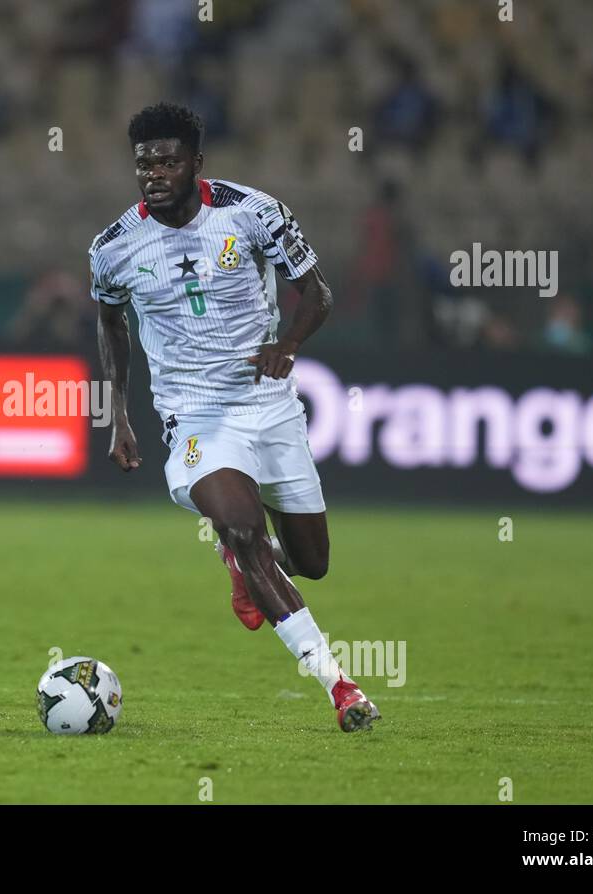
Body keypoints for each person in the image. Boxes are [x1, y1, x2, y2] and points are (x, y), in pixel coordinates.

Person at [89, 102, 380, 732]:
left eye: (167, 161)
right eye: (144, 163)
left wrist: (287, 346)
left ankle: (246, 564)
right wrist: (119, 416)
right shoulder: (113, 248)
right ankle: (341, 685)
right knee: (242, 529)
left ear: (197, 162)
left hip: (270, 407)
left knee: (311, 560)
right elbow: (111, 323)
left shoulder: (254, 214)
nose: (154, 173)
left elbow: (319, 293)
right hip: (193, 415)